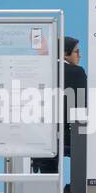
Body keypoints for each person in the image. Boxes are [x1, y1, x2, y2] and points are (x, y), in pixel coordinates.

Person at [30, 36, 87, 177]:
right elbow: (81, 106)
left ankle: (48, 189)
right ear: (64, 54)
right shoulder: (76, 72)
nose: (80, 55)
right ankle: (74, 189)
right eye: (76, 52)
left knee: (47, 167)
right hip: (67, 135)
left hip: (40, 135)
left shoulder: (39, 70)